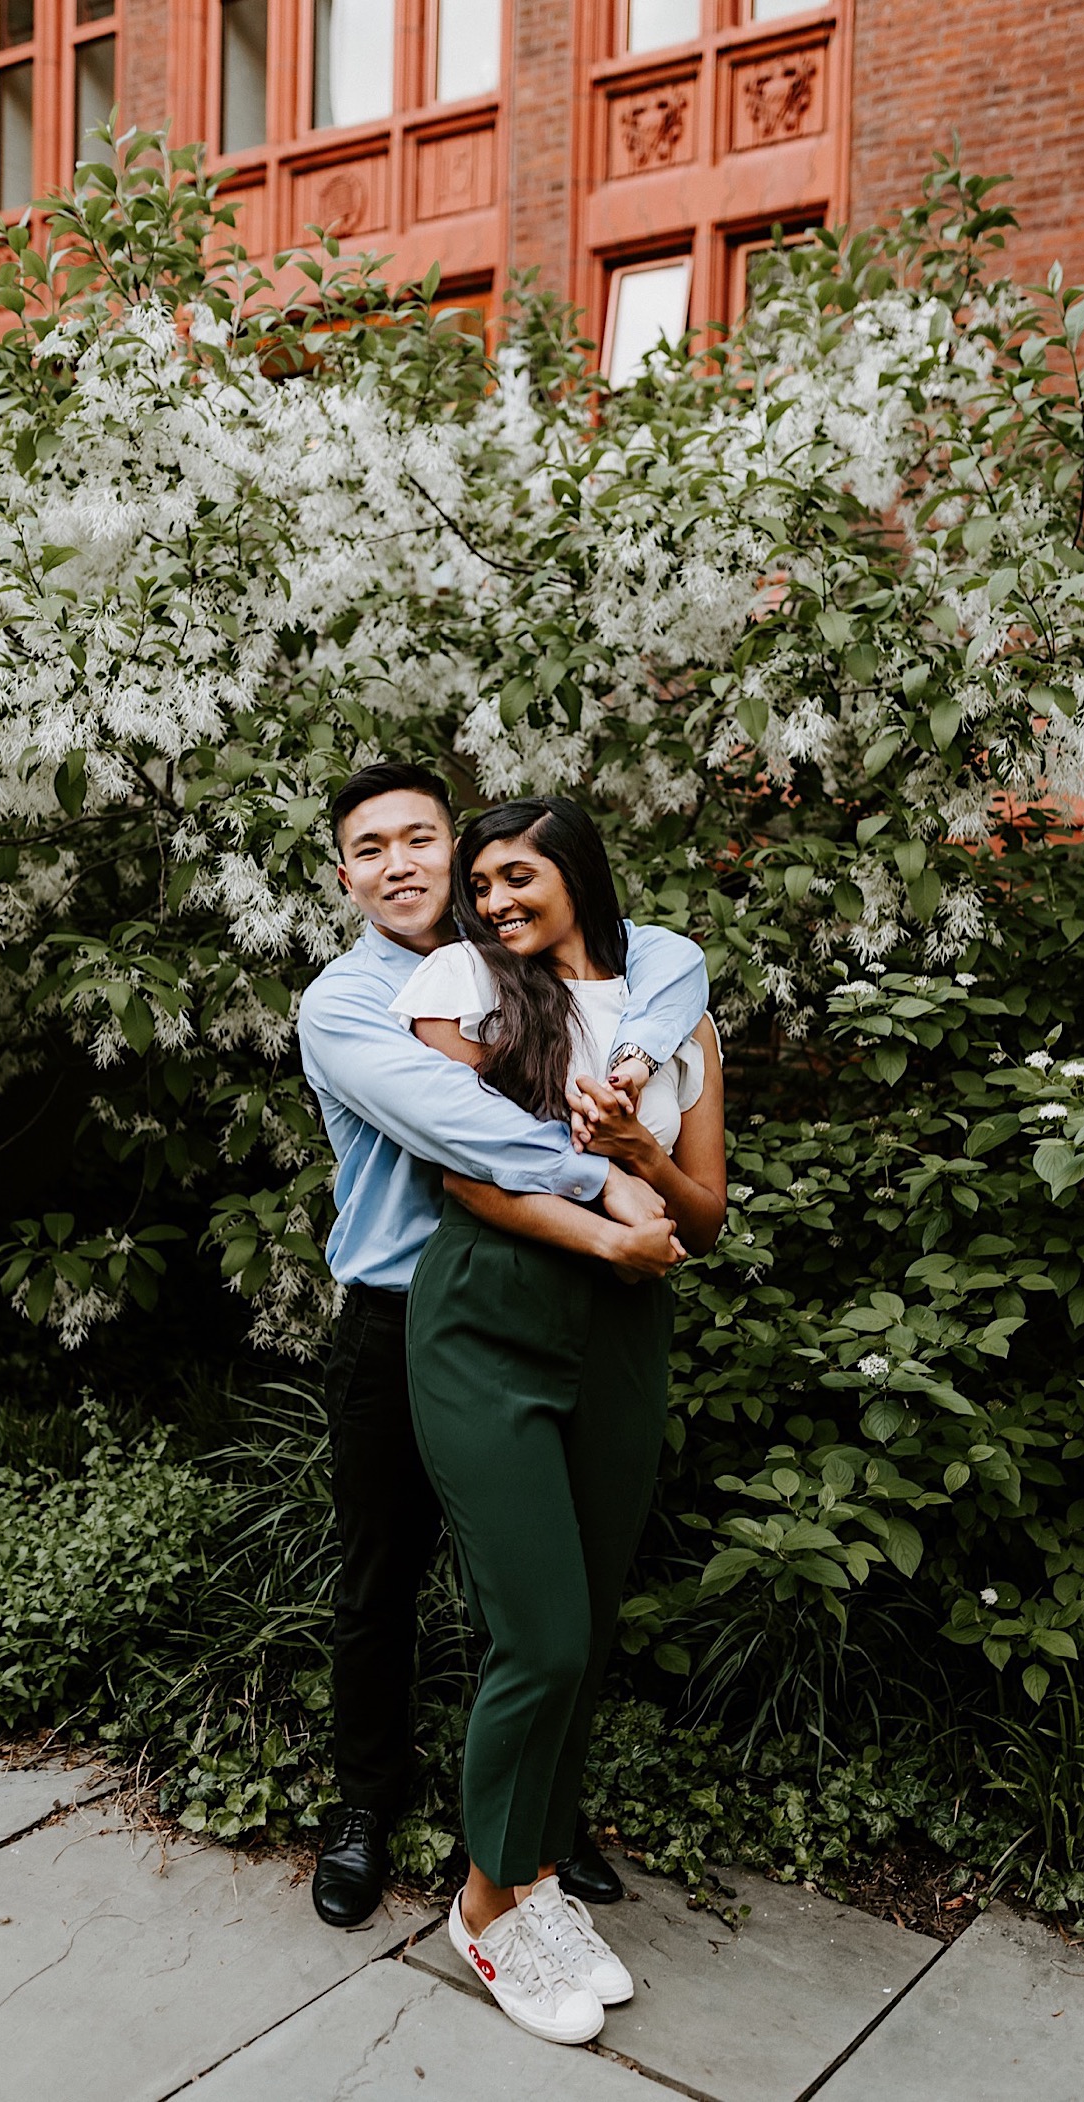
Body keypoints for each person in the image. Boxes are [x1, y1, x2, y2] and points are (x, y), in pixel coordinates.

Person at [296, 762, 709, 1930]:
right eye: (369, 848)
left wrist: (637, 1072)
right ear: (345, 878)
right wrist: (611, 1186)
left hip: (540, 1302)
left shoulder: (520, 968)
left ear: (458, 851)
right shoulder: (347, 1002)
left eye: (419, 838)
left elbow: (670, 958)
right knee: (380, 1581)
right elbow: (457, 1129)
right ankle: (365, 1808)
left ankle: (532, 1824)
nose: (399, 865)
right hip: (398, 1314)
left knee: (534, 1589)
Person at [396, 796, 726, 2046]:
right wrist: (597, 1199)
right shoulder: (467, 982)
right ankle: (482, 1902)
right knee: (536, 1630)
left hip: (623, 1330)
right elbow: (458, 1164)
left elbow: (701, 1217)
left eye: (516, 874)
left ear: (576, 871)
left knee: (581, 1631)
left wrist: (640, 1142)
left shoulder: (672, 1006)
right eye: (479, 881)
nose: (493, 899)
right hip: (486, 1320)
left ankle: (533, 1875)